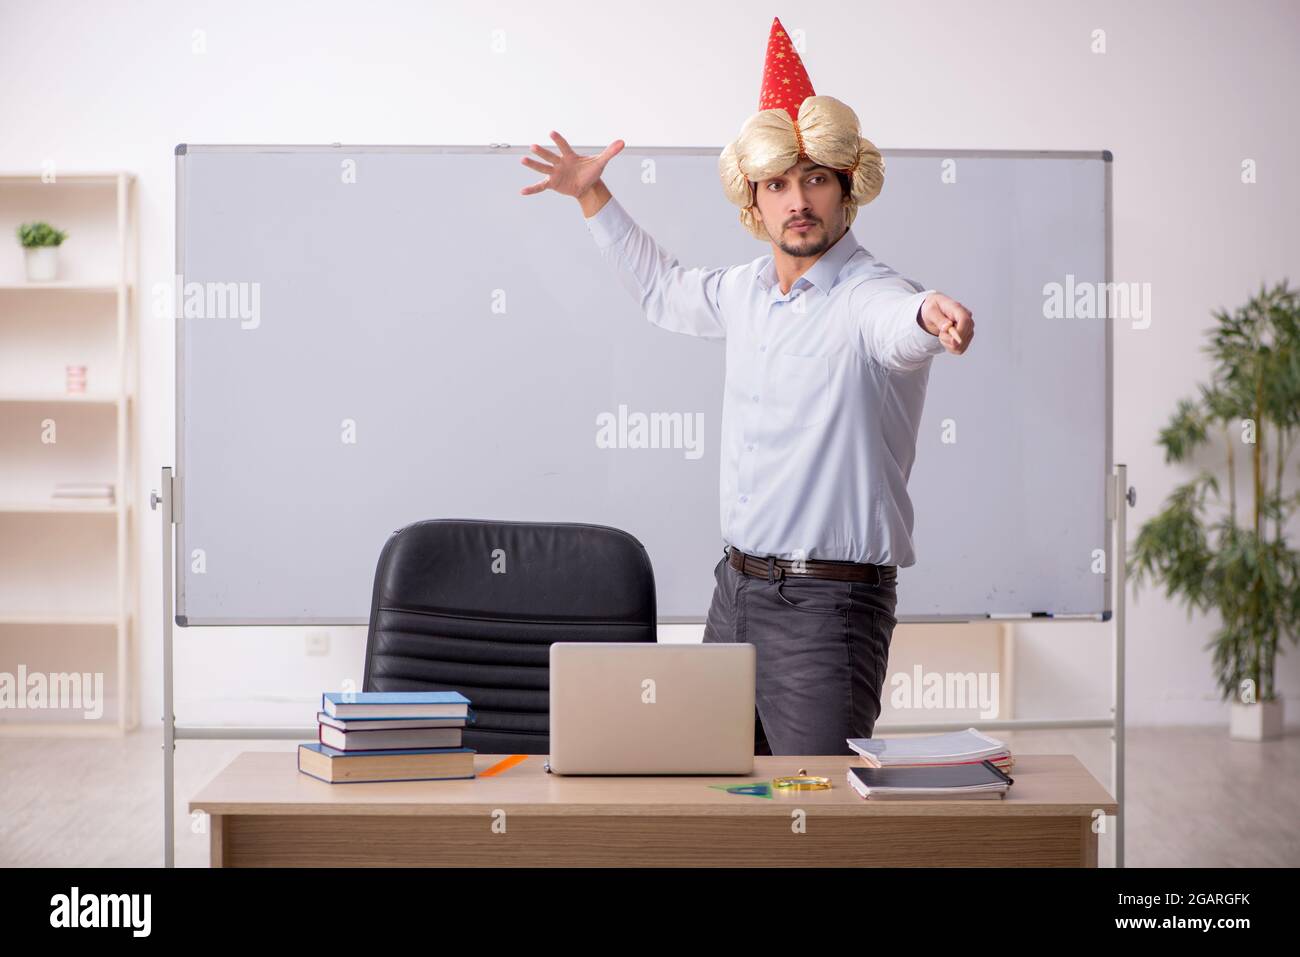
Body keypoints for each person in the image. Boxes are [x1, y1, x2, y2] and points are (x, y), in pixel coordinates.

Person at [520, 17, 974, 755]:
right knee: (717, 796)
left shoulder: (870, 293)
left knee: (815, 815)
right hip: (734, 593)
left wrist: (931, 315)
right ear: (754, 201)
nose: (798, 199)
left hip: (829, 608)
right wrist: (593, 198)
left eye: (816, 179)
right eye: (778, 184)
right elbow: (664, 290)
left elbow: (898, 322)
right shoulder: (746, 291)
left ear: (844, 188)